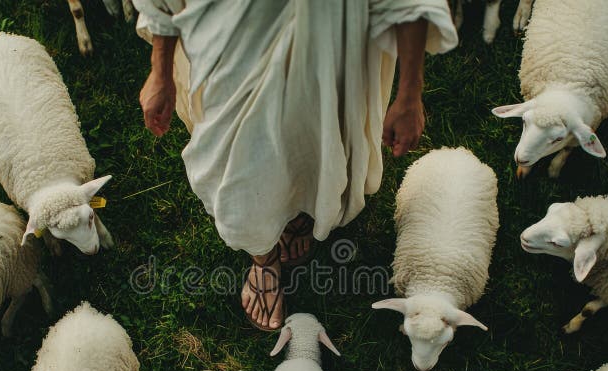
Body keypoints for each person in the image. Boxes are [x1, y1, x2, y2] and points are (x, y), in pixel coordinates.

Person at [135, 0, 458, 331]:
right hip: (232, 56)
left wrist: (409, 94)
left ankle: (300, 212)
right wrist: (160, 71)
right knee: (240, 171)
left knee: (320, 143)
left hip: (332, 47)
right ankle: (264, 259)